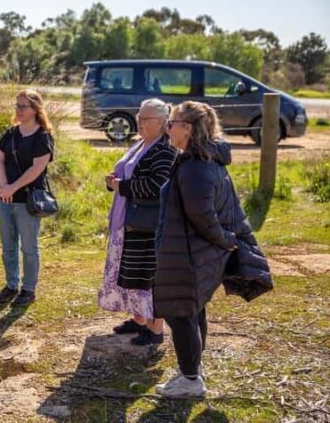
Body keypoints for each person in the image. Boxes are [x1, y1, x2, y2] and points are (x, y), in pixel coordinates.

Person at [153, 101, 271, 398]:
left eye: (172, 123)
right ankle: (192, 371)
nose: (168, 127)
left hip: (190, 253)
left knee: (180, 312)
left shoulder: (194, 166)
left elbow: (203, 216)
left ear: (188, 128)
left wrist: (225, 240)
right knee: (192, 311)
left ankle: (191, 379)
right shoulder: (204, 160)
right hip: (193, 251)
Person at [98, 98, 177, 346]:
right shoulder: (141, 144)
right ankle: (139, 320)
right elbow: (127, 174)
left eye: (146, 119)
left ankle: (155, 331)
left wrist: (121, 185)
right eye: (139, 116)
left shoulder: (165, 149)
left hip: (148, 224)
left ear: (163, 123)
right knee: (132, 275)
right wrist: (114, 181)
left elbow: (157, 186)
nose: (139, 122)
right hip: (129, 220)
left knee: (147, 277)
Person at [0, 90, 54, 306]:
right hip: (6, 198)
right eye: (17, 106)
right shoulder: (11, 133)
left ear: (35, 109)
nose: (18, 110)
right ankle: (11, 285)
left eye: (23, 106)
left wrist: (13, 187)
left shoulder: (43, 136)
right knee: (8, 244)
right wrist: (4, 187)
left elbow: (37, 168)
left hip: (27, 201)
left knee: (28, 247)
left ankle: (28, 289)